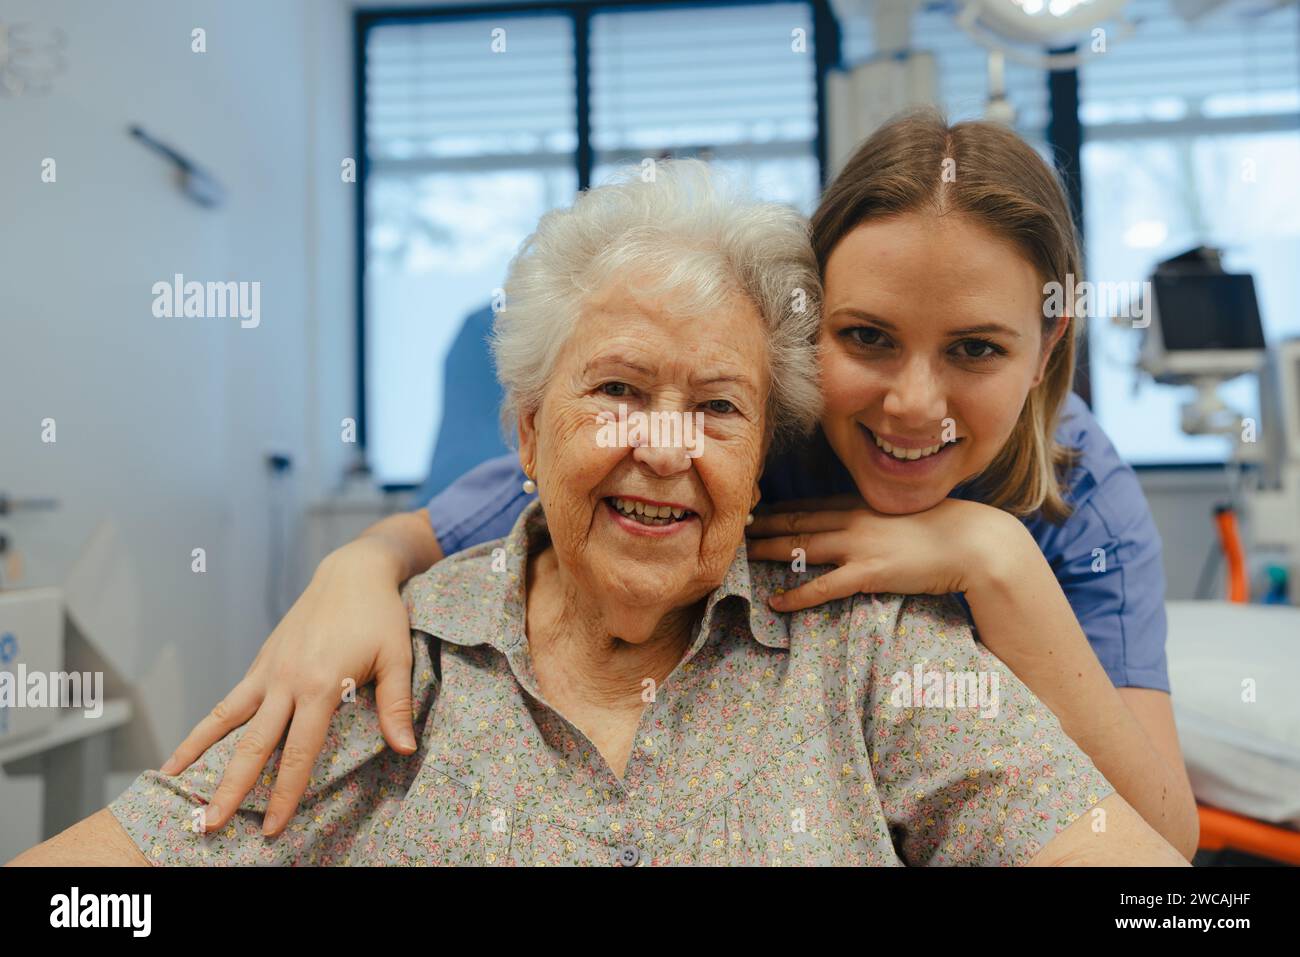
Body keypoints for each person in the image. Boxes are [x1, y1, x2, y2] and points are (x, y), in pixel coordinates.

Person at [9, 160, 1186, 865]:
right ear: (526, 429)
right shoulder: (393, 666)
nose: (663, 449)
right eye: (617, 391)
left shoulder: (869, 649)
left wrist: (991, 554)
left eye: (717, 407)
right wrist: (350, 572)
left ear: (766, 442)